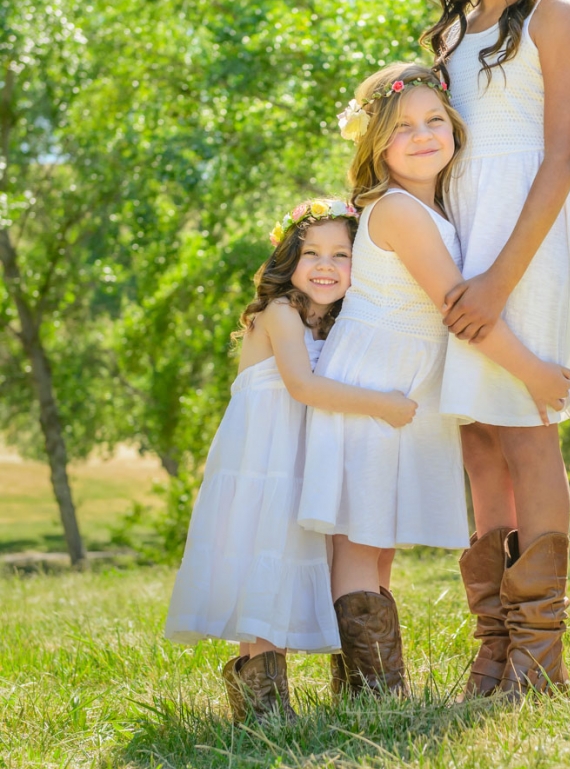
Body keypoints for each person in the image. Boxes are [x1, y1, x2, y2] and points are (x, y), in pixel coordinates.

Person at [298, 63, 570, 698]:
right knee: (362, 542)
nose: (422, 136)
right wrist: (532, 371)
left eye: (434, 122)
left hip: (397, 386)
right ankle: (373, 693)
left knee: (373, 540)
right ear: (374, 145)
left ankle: (370, 686)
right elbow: (458, 307)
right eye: (402, 129)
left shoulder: (425, 206)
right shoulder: (399, 212)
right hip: (374, 385)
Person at [422, 0, 570, 701]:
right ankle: (494, 652)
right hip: (464, 230)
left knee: (527, 424)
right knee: (475, 432)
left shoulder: (555, 14)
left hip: (529, 236)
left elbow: (562, 157)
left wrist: (499, 277)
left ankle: (540, 663)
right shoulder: (455, 29)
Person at [164, 199, 417, 722]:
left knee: (321, 566)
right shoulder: (279, 313)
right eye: (312, 253)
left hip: (309, 462)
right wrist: (385, 406)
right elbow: (302, 387)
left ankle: (360, 689)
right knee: (268, 568)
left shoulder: (342, 322)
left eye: (341, 254)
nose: (326, 266)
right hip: (267, 463)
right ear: (288, 259)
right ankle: (262, 708)